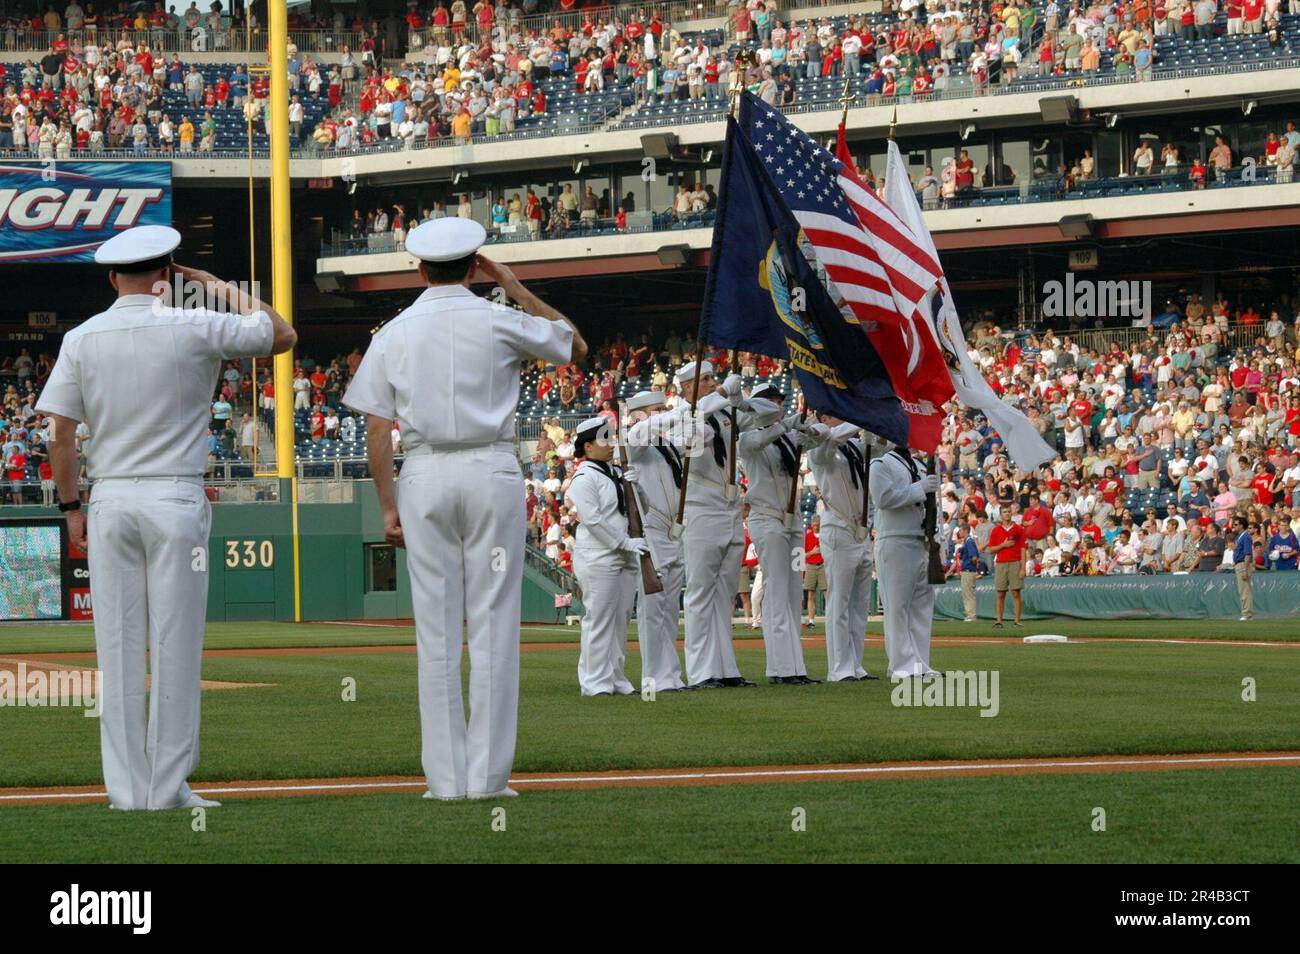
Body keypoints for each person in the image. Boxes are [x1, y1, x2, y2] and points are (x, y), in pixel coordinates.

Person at [36, 225, 295, 811]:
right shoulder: (195, 321)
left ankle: (127, 792)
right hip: (175, 498)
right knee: (176, 645)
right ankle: (169, 787)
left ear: (112, 278)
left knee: (118, 646)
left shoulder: (80, 337)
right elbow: (282, 332)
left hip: (108, 500)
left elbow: (59, 434)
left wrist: (71, 508)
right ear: (170, 274)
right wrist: (212, 285)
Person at [343, 218, 586, 801]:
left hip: (424, 474)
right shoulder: (500, 316)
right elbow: (575, 346)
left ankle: (446, 783)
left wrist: (387, 505)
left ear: (420, 268)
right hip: (490, 471)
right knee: (496, 624)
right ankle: (488, 780)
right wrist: (514, 284)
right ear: (475, 267)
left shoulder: (393, 332)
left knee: (436, 630)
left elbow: (379, 426)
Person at [676, 359, 760, 689]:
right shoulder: (681, 413)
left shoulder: (723, 411)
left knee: (725, 593)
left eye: (713, 377)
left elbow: (762, 418)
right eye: (705, 378)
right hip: (701, 506)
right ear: (685, 388)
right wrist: (724, 393)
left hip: (729, 505)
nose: (712, 382)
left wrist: (739, 400)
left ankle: (725, 668)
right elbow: (695, 436)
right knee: (700, 591)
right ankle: (700, 671)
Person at [737, 382, 822, 684]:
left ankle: (795, 665)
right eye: (770, 401)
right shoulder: (748, 437)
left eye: (779, 401)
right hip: (767, 518)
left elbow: (816, 438)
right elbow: (759, 442)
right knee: (775, 589)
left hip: (793, 522)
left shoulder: (787, 438)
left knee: (793, 590)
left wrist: (811, 426)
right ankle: (779, 667)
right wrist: (787, 424)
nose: (777, 405)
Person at [566, 417, 647, 696]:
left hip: (623, 551)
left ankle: (616, 677)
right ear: (587, 447)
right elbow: (593, 520)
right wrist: (624, 542)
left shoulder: (615, 472)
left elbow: (635, 511)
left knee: (621, 618)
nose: (611, 443)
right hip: (599, 554)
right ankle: (594, 681)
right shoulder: (584, 477)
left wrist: (638, 487)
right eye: (604, 439)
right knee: (599, 619)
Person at [623, 389, 686, 693]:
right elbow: (640, 432)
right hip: (652, 527)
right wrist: (674, 413)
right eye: (655, 409)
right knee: (653, 606)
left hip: (674, 528)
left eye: (663, 407)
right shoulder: (634, 439)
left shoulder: (668, 445)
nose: (662, 413)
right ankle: (653, 676)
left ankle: (671, 675)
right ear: (639, 414)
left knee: (671, 606)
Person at [807, 415, 877, 680]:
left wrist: (876, 434)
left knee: (859, 605)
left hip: (860, 530)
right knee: (839, 601)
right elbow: (833, 441)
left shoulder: (851, 448)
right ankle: (839, 667)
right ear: (825, 418)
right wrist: (862, 418)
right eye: (839, 412)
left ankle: (856, 664)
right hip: (838, 527)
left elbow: (880, 448)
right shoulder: (819, 450)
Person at [869, 444, 942, 678]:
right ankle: (901, 665)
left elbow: (931, 507)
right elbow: (883, 498)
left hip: (921, 540)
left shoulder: (920, 465)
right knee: (897, 607)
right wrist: (919, 488)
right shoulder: (881, 464)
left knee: (921, 608)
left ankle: (921, 663)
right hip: (895, 538)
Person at [987, 507, 1027, 627]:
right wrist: (1003, 545)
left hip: (1015, 562)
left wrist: (1023, 568)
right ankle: (999, 621)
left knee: (1016, 592)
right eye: (1005, 512)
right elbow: (991, 549)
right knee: (1000, 593)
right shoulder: (996, 530)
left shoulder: (1019, 529)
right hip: (1001, 563)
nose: (1007, 514)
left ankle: (1017, 621)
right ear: (1001, 514)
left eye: (1009, 511)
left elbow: (1023, 549)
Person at [955, 524, 981, 621]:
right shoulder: (966, 541)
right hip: (968, 570)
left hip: (968, 570)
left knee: (968, 594)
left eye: (961, 530)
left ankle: (971, 615)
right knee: (967, 593)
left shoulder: (969, 541)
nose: (959, 532)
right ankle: (970, 614)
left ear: (966, 530)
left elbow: (974, 557)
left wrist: (973, 567)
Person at [1232, 515, 1254, 621]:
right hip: (1239, 563)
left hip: (1243, 564)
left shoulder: (1246, 536)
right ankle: (1245, 612)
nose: (1234, 526)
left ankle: (1247, 614)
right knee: (1242, 590)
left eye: (1236, 524)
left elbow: (1248, 554)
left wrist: (1245, 569)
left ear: (1241, 525)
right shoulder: (1240, 536)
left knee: (1245, 590)